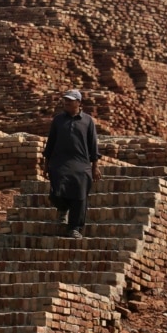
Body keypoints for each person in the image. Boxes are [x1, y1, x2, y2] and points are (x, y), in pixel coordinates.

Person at [43, 89, 101, 238]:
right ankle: (62, 209)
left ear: (79, 103)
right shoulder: (58, 120)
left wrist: (95, 166)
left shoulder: (88, 121)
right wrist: (46, 164)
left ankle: (74, 228)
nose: (66, 102)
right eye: (65, 100)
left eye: (70, 100)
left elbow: (93, 145)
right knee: (56, 194)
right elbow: (51, 143)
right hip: (59, 163)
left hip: (81, 164)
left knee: (80, 196)